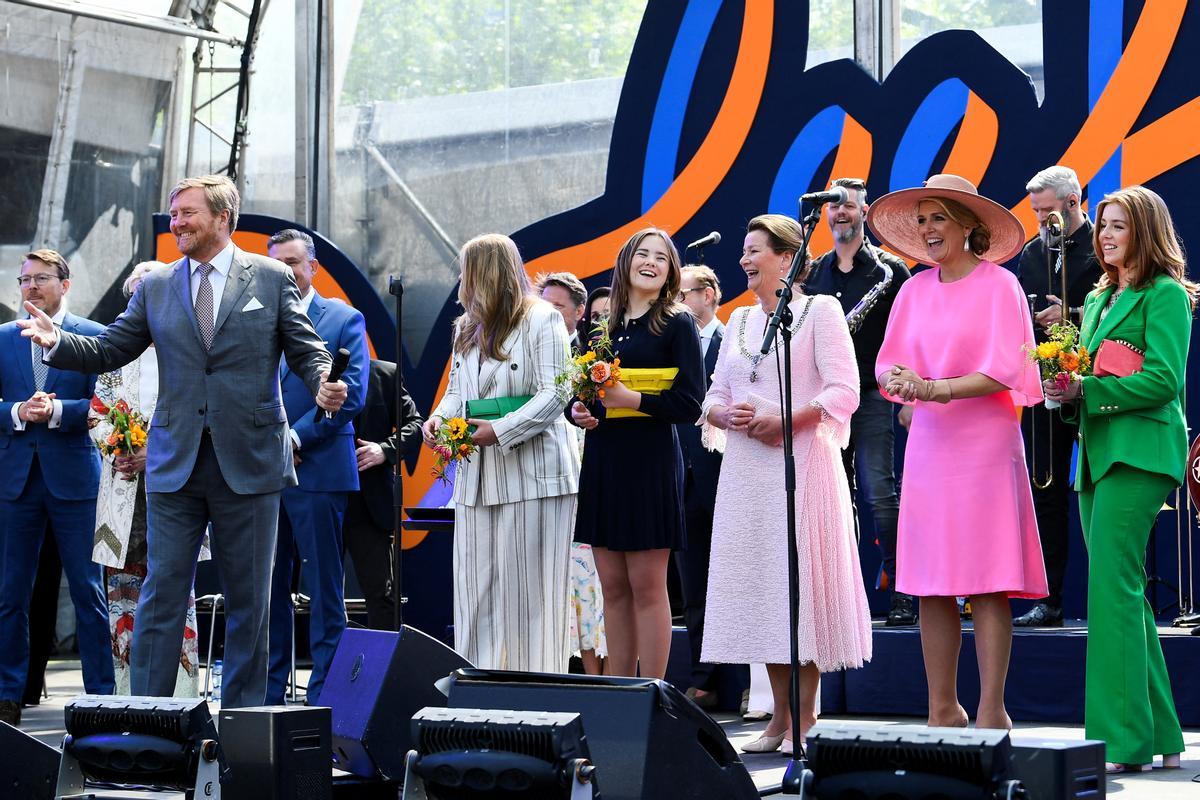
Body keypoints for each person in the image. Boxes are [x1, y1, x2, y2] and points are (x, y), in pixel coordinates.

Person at [22, 175, 348, 709]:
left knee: (249, 602)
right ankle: (149, 722)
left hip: (251, 462)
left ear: (223, 217)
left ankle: (242, 726)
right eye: (173, 214)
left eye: (187, 213)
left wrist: (321, 384)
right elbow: (109, 349)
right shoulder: (157, 286)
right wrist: (58, 341)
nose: (177, 223)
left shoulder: (270, 277)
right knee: (161, 595)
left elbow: (306, 349)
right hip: (174, 463)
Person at [868, 173, 1047, 730]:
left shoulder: (1000, 286)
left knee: (988, 581)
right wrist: (900, 380)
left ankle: (993, 710)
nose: (927, 229)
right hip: (930, 446)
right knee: (931, 583)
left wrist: (932, 388)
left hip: (986, 445)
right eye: (921, 219)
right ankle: (941, 708)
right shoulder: (914, 289)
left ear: (968, 225)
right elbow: (886, 364)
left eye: (938, 218)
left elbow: (1005, 369)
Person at [701, 215, 871, 754]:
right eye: (744, 251)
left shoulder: (820, 311)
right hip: (746, 473)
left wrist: (787, 419)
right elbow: (714, 395)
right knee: (764, 591)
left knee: (799, 589)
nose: (745, 260)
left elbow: (845, 390)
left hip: (802, 467)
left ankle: (806, 717)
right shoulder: (739, 320)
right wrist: (724, 415)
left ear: (788, 257)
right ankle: (779, 717)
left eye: (755, 251)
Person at [1045, 185, 1192, 772]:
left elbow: (1164, 380)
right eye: (1103, 225)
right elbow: (1088, 382)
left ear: (1145, 232)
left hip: (1140, 453)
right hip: (1096, 455)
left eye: (1118, 226)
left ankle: (1121, 742)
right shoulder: (1099, 298)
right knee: (1123, 593)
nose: (1104, 236)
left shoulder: (1166, 294)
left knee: (1111, 592)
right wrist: (1066, 394)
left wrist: (1089, 389)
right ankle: (1161, 736)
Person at [422, 233, 578, 672]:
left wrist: (502, 430)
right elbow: (457, 391)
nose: (461, 281)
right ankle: (478, 686)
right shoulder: (465, 327)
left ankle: (535, 693)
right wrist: (438, 419)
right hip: (478, 479)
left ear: (486, 273)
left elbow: (557, 391)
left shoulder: (543, 318)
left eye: (465, 271)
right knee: (475, 595)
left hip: (535, 477)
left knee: (532, 599)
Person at [570, 228, 704, 680]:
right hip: (604, 459)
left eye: (661, 258)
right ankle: (619, 689)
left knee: (647, 586)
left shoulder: (678, 322)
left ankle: (652, 691)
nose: (650, 262)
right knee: (612, 588)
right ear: (625, 262)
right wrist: (578, 411)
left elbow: (691, 403)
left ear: (671, 271)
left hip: (650, 462)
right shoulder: (600, 326)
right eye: (642, 254)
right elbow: (583, 394)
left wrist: (634, 400)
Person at [0, 249, 113, 726]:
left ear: (64, 285)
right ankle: (8, 695)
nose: (31, 286)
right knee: (10, 594)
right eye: (24, 279)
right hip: (16, 482)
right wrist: (16, 411)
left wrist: (58, 411)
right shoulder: (3, 337)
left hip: (75, 481)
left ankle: (102, 699)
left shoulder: (94, 337)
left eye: (41, 278)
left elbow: (107, 405)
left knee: (89, 592)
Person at [89, 261, 205, 697]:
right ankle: (127, 695)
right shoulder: (117, 356)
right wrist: (119, 446)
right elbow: (96, 415)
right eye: (138, 293)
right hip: (122, 495)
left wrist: (153, 454)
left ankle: (181, 697)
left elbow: (203, 415)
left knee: (175, 592)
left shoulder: (193, 348)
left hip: (178, 487)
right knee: (122, 596)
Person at [803, 177, 914, 626]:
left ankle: (903, 591)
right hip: (824, 398)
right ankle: (841, 597)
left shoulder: (890, 270)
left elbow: (910, 335)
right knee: (833, 497)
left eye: (848, 205)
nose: (840, 212)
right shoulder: (813, 272)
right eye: (834, 206)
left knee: (879, 492)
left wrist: (908, 396)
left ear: (865, 212)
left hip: (871, 393)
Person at [265, 229, 368, 705]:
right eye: (277, 264)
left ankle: (324, 697)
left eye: (293, 262)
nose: (285, 271)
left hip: (318, 469)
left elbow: (352, 395)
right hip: (263, 473)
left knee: (324, 587)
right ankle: (267, 696)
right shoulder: (256, 316)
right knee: (267, 589)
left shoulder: (343, 318)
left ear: (313, 267)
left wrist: (295, 437)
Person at [1014, 166, 1103, 628]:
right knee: (1044, 490)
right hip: (1044, 383)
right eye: (1035, 212)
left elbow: (1122, 304)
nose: (1040, 221)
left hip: (1098, 381)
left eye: (1047, 212)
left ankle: (1113, 599)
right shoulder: (1032, 252)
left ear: (1073, 202)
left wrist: (1070, 313)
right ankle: (1049, 600)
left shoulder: (1103, 244)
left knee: (1103, 487)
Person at [674, 264, 725, 706]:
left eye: (682, 294)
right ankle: (702, 676)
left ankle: (754, 685)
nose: (676, 303)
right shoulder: (671, 344)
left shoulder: (735, 342)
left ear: (708, 294)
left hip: (727, 478)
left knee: (737, 578)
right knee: (693, 584)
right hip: (680, 479)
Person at [349, 359, 422, 631]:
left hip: (369, 504)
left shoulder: (385, 373)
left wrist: (384, 449)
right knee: (321, 594)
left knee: (381, 594)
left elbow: (415, 424)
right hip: (318, 499)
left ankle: (385, 659)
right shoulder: (302, 372)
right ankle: (327, 659)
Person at [537, 272, 588, 351]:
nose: (546, 312)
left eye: (557, 306)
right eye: (543, 305)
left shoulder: (591, 355)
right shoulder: (526, 351)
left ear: (579, 312)